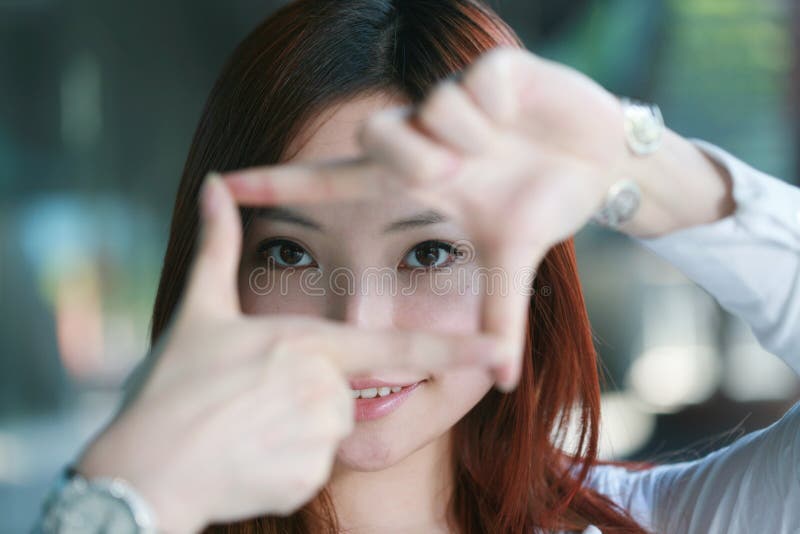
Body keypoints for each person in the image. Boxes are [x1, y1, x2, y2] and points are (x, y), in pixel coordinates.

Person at [36, 1, 800, 533]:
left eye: (427, 253)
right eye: (291, 252)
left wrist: (643, 169)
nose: (359, 324)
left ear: (527, 274)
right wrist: (118, 503)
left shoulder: (655, 522)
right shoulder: (134, 515)